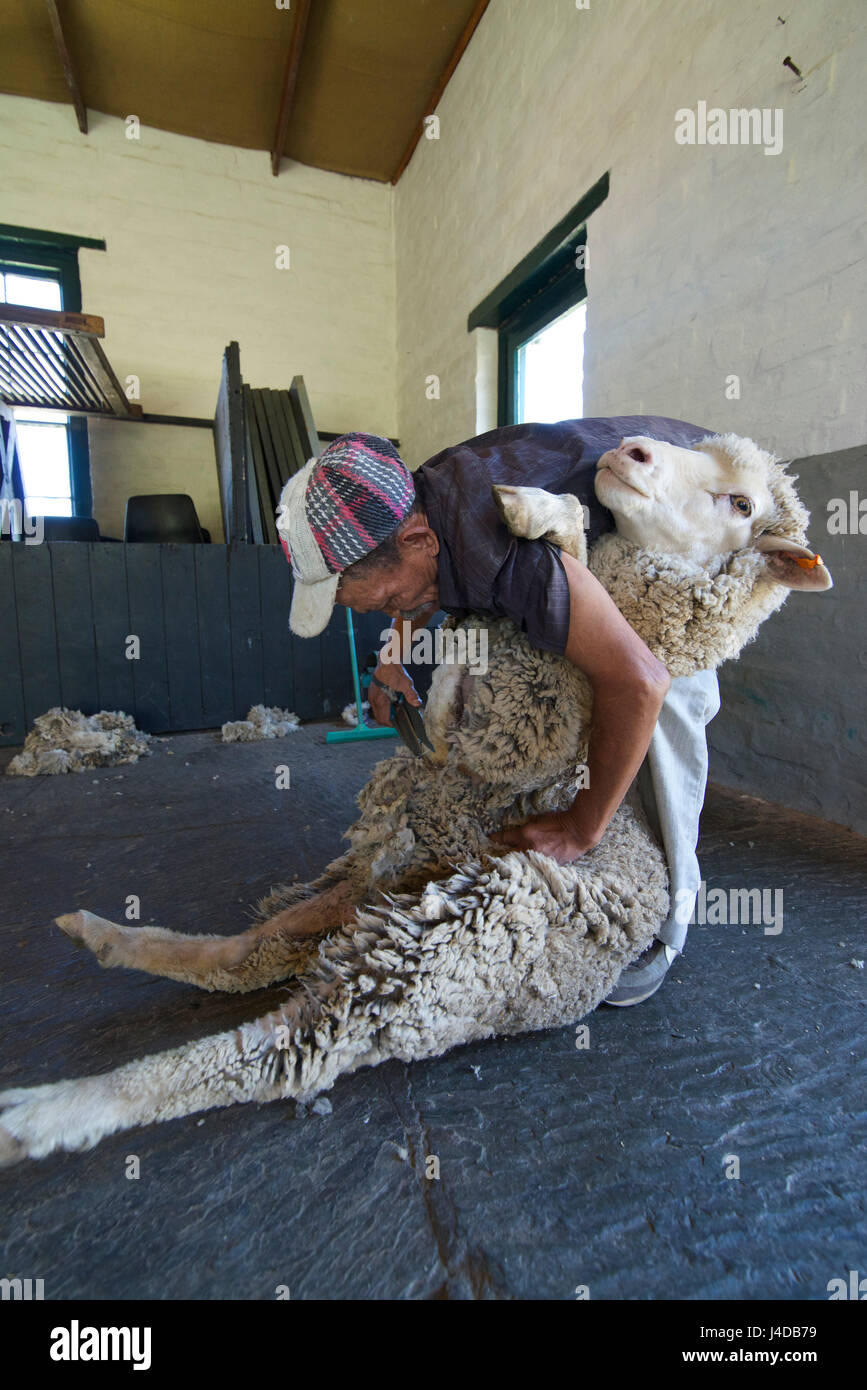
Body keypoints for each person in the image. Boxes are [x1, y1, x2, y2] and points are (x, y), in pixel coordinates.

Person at [275, 421, 721, 1005]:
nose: (391, 609)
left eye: (384, 601)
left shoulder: (503, 551)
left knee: (662, 698)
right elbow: (413, 582)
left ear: (418, 539)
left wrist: (578, 828)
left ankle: (666, 926)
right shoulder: (410, 501)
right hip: (578, 525)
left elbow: (641, 682)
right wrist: (392, 657)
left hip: (697, 506)